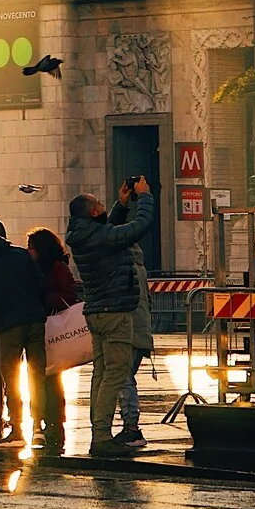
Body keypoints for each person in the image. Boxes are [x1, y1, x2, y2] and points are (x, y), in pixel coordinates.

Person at [66, 178, 156, 457]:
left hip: (97, 312)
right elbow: (140, 226)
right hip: (115, 312)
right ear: (93, 212)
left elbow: (108, 233)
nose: (103, 206)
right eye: (100, 204)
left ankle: (99, 431)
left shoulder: (84, 235)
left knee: (101, 374)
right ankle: (102, 436)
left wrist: (121, 205)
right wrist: (144, 197)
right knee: (116, 374)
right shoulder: (100, 237)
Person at [0, 212, 49, 447]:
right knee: (36, 374)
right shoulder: (20, 254)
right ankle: (38, 427)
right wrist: (38, 309)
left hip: (7, 325)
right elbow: (41, 283)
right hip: (34, 320)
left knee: (11, 377)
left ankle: (17, 429)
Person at [107, 192, 155, 448]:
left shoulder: (124, 266)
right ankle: (130, 426)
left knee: (124, 379)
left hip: (129, 329)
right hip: (139, 330)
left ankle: (132, 428)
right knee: (124, 378)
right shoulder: (138, 264)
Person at [28, 226, 79, 454]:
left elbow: (69, 296)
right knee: (38, 378)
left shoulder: (58, 267)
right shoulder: (34, 267)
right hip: (39, 328)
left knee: (51, 379)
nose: (28, 251)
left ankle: (54, 424)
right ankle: (40, 423)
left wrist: (43, 298)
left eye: (31, 247)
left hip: (53, 329)